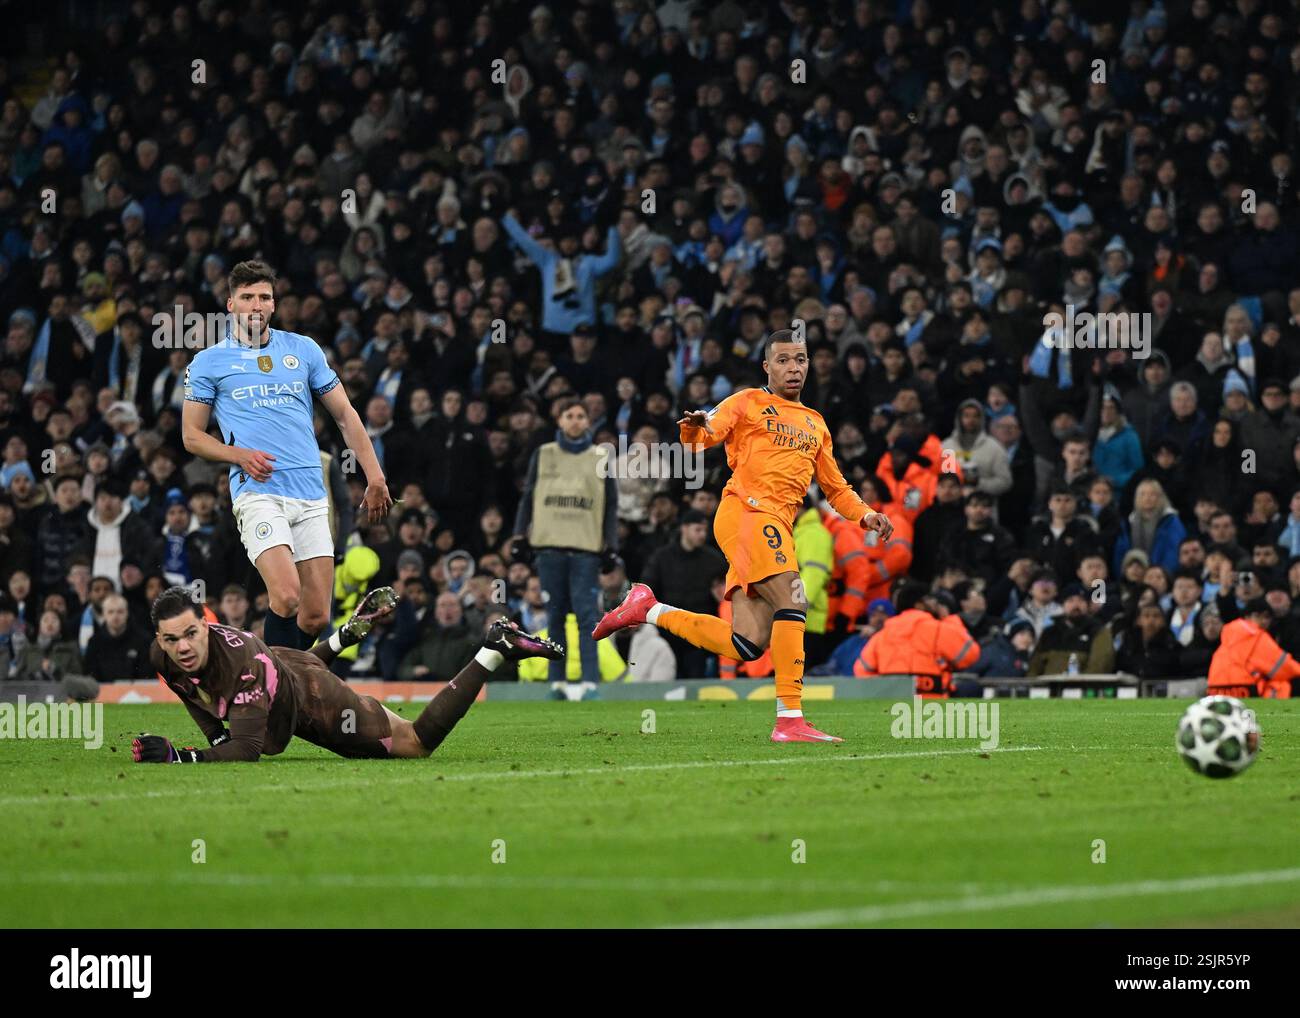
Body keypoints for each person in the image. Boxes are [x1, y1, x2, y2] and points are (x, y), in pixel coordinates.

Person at [593, 330, 894, 742]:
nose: (794, 367)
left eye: (801, 359)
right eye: (784, 360)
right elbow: (703, 437)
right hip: (748, 512)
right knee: (794, 599)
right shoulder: (748, 400)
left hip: (775, 526)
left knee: (747, 643)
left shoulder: (816, 423)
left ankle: (648, 609)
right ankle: (790, 721)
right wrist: (693, 428)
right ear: (767, 366)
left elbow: (835, 488)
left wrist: (866, 515)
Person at [181, 260, 392, 652]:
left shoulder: (303, 350)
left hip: (311, 493)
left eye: (264, 297)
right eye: (247, 298)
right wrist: (239, 455)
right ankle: (274, 693)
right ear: (231, 305)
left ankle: (278, 677)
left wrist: (374, 476)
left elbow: (345, 416)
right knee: (287, 596)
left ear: (274, 305)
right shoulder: (210, 362)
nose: (256, 305)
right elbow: (191, 437)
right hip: (258, 492)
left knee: (314, 616)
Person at [133, 585, 563, 763]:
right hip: (288, 664)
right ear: (159, 638)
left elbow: (248, 748)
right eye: (172, 640)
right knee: (293, 676)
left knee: (413, 744)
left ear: (206, 626)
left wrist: (180, 756)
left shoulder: (239, 662)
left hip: (313, 697)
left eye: (191, 634)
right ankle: (339, 640)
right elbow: (192, 694)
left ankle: (493, 649)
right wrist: (214, 738)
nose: (183, 648)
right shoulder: (163, 656)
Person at [511, 397, 620, 697]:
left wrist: (611, 545)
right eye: (569, 415)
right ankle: (556, 682)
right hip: (549, 546)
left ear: (588, 422)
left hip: (586, 548)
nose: (575, 420)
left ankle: (589, 682)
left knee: (587, 618)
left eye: (580, 416)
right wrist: (520, 535)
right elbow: (528, 496)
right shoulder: (543, 454)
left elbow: (610, 505)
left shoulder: (601, 456)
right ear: (559, 420)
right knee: (555, 616)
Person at [853, 583, 979, 698]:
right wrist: (949, 619)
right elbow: (970, 655)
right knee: (973, 688)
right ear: (919, 604)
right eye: (930, 600)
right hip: (932, 708)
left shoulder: (882, 635)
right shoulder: (939, 629)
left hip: (893, 708)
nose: (934, 604)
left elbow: (861, 671)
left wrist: (890, 689)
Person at [1206, 596, 1298, 699]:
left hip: (1214, 690)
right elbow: (1285, 667)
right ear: (1247, 617)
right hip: (1243, 689)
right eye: (1257, 616)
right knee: (1284, 683)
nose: (1263, 621)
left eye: (1266, 617)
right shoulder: (1255, 636)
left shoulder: (1230, 634)